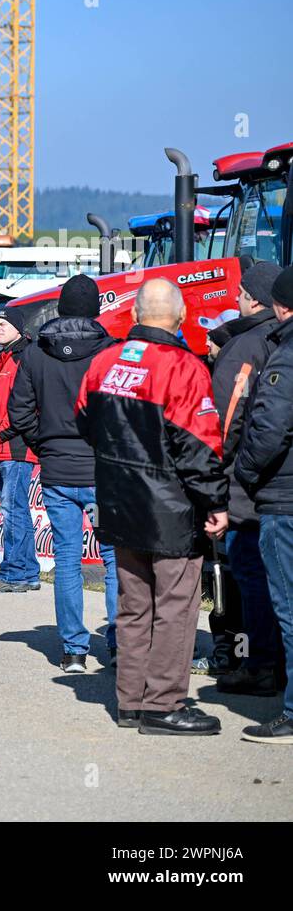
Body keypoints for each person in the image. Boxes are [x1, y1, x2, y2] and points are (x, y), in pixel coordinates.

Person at [76, 278, 228, 735]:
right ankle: (163, 704)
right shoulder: (184, 367)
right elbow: (199, 445)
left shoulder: (104, 362)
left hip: (120, 504)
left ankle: (131, 702)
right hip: (171, 511)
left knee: (134, 604)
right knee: (176, 607)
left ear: (137, 315)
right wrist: (215, 501)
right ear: (180, 317)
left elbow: (84, 421)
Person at [8, 274, 119, 672]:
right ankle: (119, 646)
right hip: (103, 474)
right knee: (113, 559)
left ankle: (74, 649)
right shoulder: (111, 351)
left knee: (67, 558)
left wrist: (46, 445)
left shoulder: (36, 353)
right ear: (97, 309)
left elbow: (18, 410)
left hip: (58, 473)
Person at [210, 261, 285, 693]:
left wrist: (215, 474)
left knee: (251, 574)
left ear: (254, 298)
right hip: (277, 478)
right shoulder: (280, 340)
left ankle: (259, 664)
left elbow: (225, 419)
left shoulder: (245, 345)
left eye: (240, 293)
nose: (236, 300)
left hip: (246, 483)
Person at [234, 264, 293, 744]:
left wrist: (246, 473)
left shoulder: (285, 357)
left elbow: (266, 431)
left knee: (289, 607)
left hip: (284, 499)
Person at [0, 307, 42, 594]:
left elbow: (24, 405)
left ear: (18, 327)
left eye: (3, 324)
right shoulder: (3, 358)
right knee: (15, 510)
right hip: (1, 444)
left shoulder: (22, 357)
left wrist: (1, 432)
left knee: (13, 510)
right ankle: (24, 570)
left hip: (13, 445)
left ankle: (17, 572)